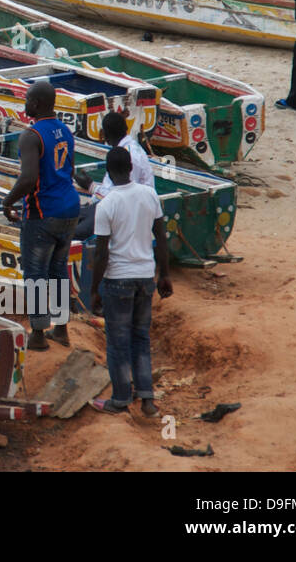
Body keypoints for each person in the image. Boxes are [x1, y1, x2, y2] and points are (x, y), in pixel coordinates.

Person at [88, 146, 173, 416]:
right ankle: (147, 399)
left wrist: (94, 289)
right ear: (131, 167)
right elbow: (161, 237)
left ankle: (121, 399)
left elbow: (101, 253)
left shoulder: (107, 204)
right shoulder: (150, 195)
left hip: (119, 280)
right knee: (140, 338)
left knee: (117, 341)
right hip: (146, 276)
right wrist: (165, 274)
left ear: (108, 172)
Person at [1, 81, 80, 349]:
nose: (24, 104)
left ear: (35, 104)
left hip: (43, 212)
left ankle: (37, 334)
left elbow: (28, 178)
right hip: (70, 208)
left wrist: (7, 201)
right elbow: (70, 171)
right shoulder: (65, 131)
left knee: (35, 273)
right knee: (58, 270)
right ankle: (61, 329)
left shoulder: (30, 136)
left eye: (27, 100)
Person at [73, 110, 155, 239]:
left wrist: (91, 186)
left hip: (125, 211)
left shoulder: (128, 155)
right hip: (110, 204)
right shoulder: (128, 148)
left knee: (74, 232)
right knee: (68, 217)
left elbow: (122, 196)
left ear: (105, 135)